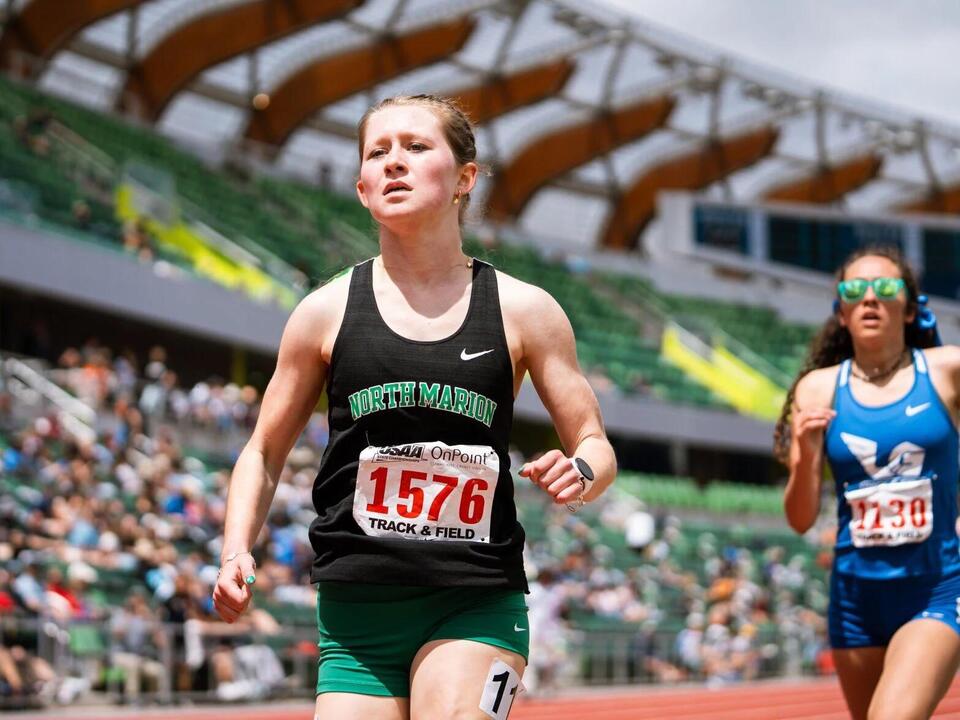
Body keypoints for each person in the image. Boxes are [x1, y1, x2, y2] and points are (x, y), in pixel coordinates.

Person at [212, 94, 616, 719]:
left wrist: (581, 471)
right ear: (362, 187)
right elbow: (263, 451)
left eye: (416, 147)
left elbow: (596, 443)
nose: (394, 162)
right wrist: (236, 546)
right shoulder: (324, 312)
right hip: (357, 610)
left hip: (476, 599)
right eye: (378, 152)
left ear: (464, 179)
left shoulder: (524, 310)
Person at [776, 245, 960, 720]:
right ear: (841, 311)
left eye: (886, 288)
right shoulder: (816, 388)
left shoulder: (947, 372)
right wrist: (807, 455)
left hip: (936, 586)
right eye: (855, 290)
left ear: (912, 306)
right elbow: (799, 519)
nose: (870, 299)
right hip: (855, 598)